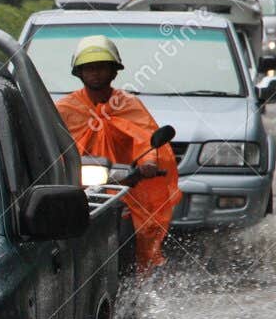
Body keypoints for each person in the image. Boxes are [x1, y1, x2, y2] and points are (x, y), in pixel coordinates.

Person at [55, 35, 182, 270]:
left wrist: (148, 163)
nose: (96, 73)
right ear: (79, 73)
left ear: (114, 72)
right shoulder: (64, 109)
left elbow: (145, 138)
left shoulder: (129, 104)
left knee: (136, 236)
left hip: (123, 187)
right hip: (76, 186)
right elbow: (51, 144)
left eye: (102, 68)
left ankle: (132, 279)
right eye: (90, 68)